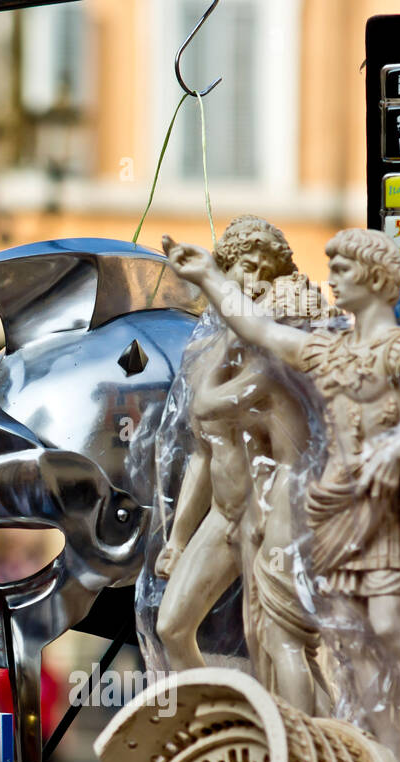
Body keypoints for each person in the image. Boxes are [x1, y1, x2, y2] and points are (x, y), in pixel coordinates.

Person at [164, 227, 400, 753]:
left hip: (383, 512)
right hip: (333, 511)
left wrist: (399, 446)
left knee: (391, 626)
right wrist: (208, 275)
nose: (330, 278)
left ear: (377, 279)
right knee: (352, 648)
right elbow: (254, 327)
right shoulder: (327, 351)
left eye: (344, 270)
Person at [155, 216, 332, 714]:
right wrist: (176, 537)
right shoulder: (204, 350)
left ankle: (312, 741)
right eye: (246, 268)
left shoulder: (270, 349)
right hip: (224, 516)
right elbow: (202, 450)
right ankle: (221, 725)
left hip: (269, 512)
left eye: (266, 273)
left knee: (281, 646)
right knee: (172, 626)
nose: (255, 282)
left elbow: (216, 409)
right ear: (226, 266)